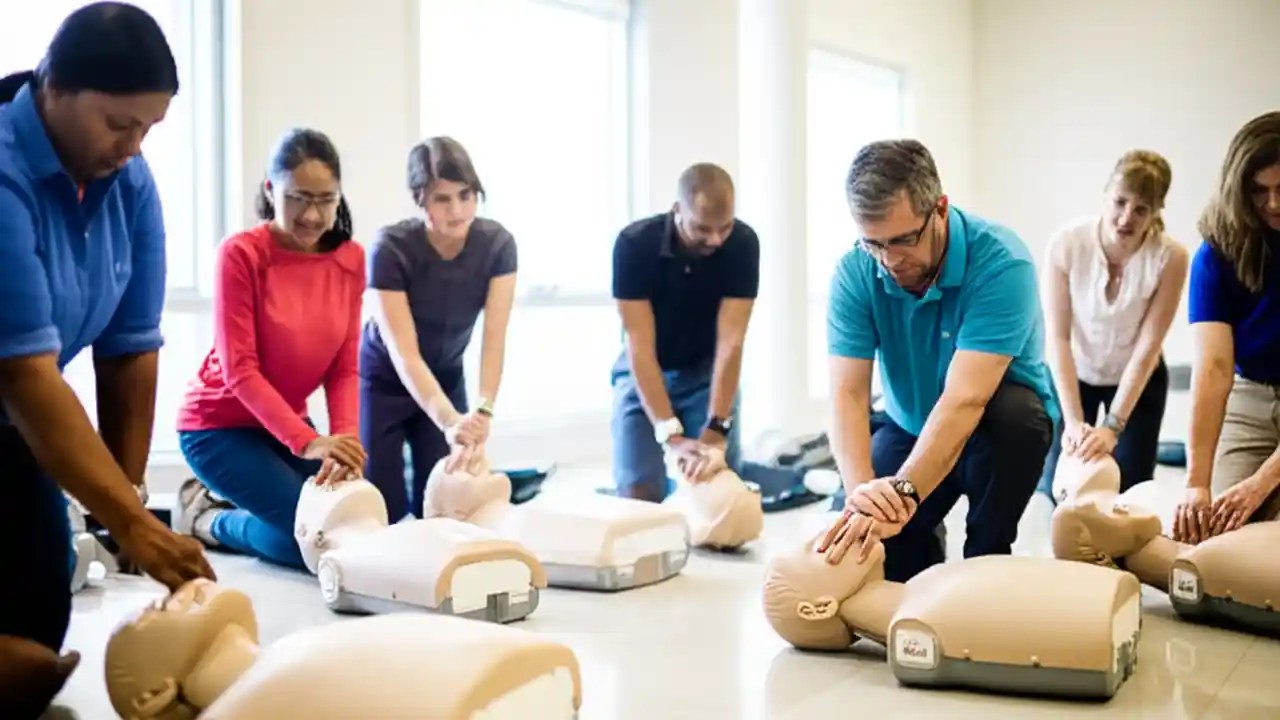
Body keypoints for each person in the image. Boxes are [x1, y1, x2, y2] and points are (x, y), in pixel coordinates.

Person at [0, 1, 214, 711]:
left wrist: (127, 504)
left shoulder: (130, 184)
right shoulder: (4, 172)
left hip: (13, 423)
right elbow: (23, 373)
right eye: (119, 125)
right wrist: (131, 526)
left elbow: (129, 350)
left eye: (148, 129)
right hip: (16, 393)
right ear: (53, 87)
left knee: (37, 632)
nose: (133, 146)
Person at [818, 139, 1056, 582]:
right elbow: (847, 394)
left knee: (1014, 418)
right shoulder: (856, 270)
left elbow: (965, 401)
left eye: (903, 240)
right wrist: (864, 498)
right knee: (869, 553)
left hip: (993, 429)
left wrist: (905, 492)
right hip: (910, 423)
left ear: (940, 209)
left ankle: (986, 558)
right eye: (874, 244)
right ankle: (922, 545)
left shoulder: (1003, 263)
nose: (889, 261)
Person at [173, 128, 368, 570]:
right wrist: (308, 443)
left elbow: (344, 368)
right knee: (311, 545)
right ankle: (206, 519)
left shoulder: (350, 259)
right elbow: (240, 370)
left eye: (326, 199)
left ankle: (225, 509)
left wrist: (345, 443)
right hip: (216, 428)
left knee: (352, 522)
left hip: (284, 424)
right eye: (299, 197)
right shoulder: (241, 255)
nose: (314, 215)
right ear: (270, 189)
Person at [360, 136, 517, 521]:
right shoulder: (390, 248)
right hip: (385, 379)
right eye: (442, 199)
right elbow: (405, 353)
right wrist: (449, 420)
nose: (458, 209)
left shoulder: (497, 244)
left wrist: (481, 413)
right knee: (384, 507)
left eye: (466, 195)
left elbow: (493, 341)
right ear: (420, 199)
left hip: (446, 374)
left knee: (444, 504)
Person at [1038, 151, 1188, 498]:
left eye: (1141, 209)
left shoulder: (1171, 257)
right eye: (1120, 202)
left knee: (1131, 487)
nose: (1126, 218)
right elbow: (1057, 338)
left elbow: (1148, 347)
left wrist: (1113, 426)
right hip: (1074, 371)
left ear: (1156, 212)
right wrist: (1074, 422)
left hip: (1138, 374)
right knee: (1060, 484)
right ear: (1106, 195)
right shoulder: (1067, 244)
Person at [610, 163, 760, 502]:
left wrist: (717, 427)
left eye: (725, 227)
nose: (716, 239)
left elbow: (731, 343)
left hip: (705, 374)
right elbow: (639, 347)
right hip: (644, 370)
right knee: (638, 495)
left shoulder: (743, 244)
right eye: (702, 229)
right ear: (677, 210)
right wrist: (671, 435)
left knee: (719, 492)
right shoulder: (634, 245)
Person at [1173, 111, 1280, 544]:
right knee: (1217, 529)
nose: (1272, 204)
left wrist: (1262, 482)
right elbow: (1215, 369)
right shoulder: (1215, 254)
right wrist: (1196, 483)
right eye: (1258, 192)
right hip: (1248, 397)